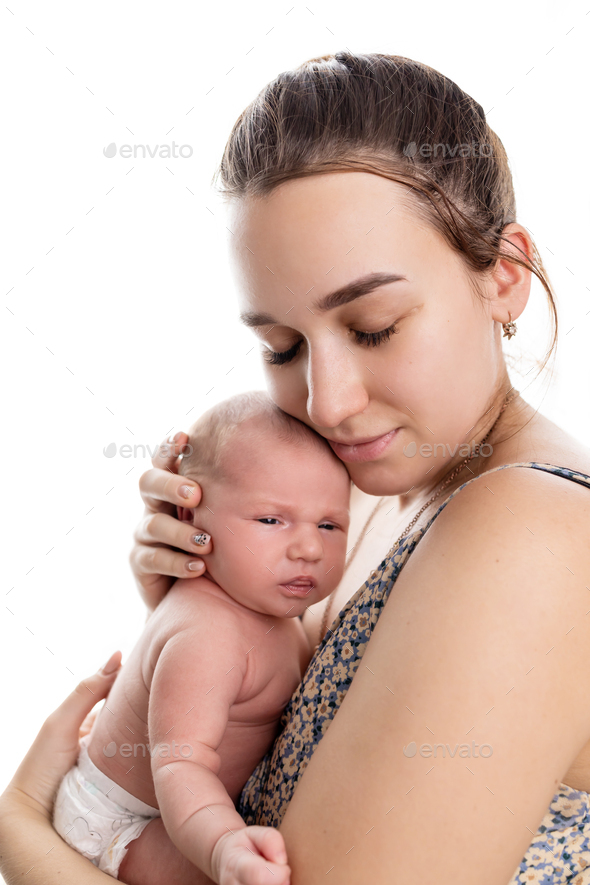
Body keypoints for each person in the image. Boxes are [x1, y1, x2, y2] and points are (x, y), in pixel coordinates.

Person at [3, 50, 590, 885]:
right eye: (281, 346)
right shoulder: (418, 508)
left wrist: (24, 834)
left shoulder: (530, 531)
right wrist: (206, 609)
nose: (329, 401)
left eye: (376, 325)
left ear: (504, 274)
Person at [52, 392, 351, 884]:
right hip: (121, 821)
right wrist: (222, 849)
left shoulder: (265, 605)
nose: (308, 547)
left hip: (176, 807)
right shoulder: (207, 634)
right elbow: (180, 767)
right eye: (271, 520)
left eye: (329, 524)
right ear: (189, 517)